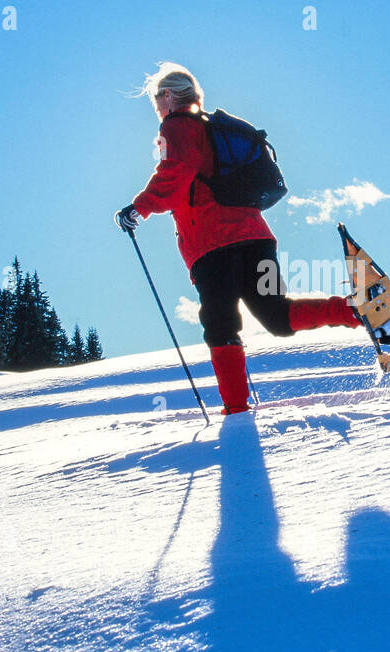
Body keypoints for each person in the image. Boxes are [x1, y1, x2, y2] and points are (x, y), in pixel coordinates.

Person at [116, 63, 360, 415]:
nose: (155, 105)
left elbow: (175, 173)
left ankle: (235, 411)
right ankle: (356, 310)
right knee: (276, 314)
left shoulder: (176, 126)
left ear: (168, 96)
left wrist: (138, 209)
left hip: (214, 245)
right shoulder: (211, 130)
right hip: (255, 237)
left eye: (156, 97)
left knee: (220, 323)